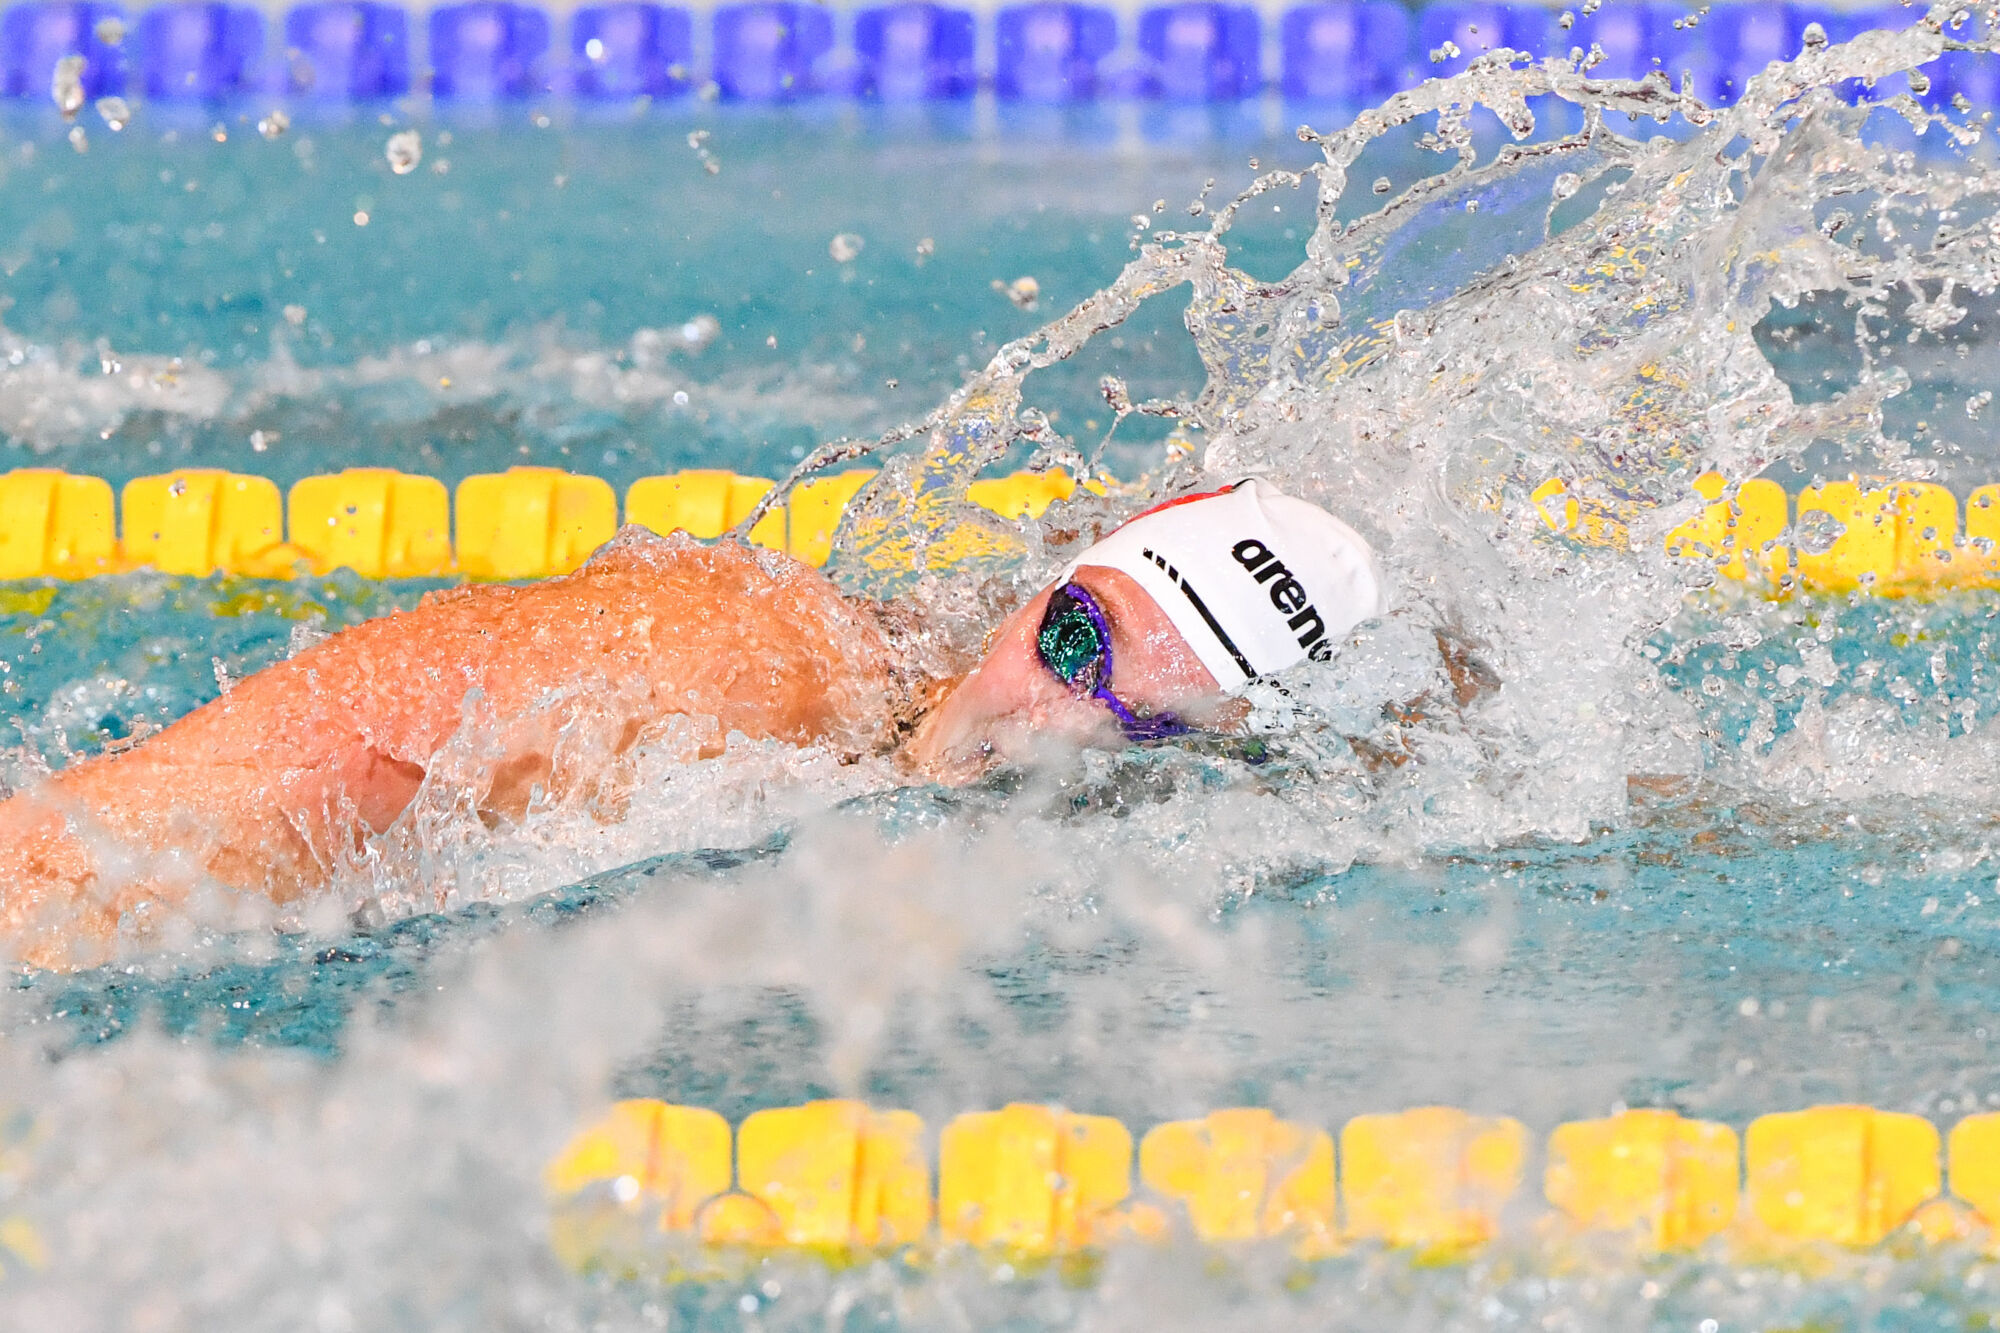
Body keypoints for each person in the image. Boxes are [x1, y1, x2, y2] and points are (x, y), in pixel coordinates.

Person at [0, 478, 1387, 970]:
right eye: (1072, 639)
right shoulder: (742, 665)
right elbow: (339, 740)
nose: (1044, 721)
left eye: (1140, 723)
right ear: (1052, 578)